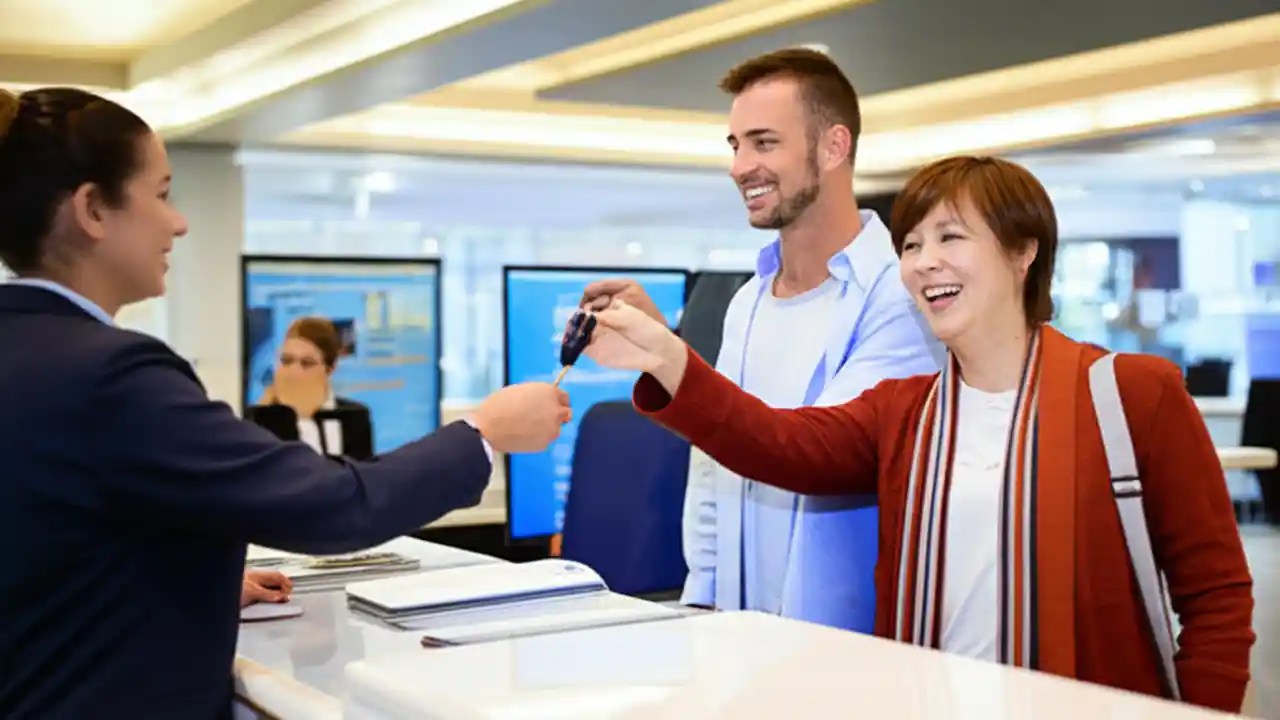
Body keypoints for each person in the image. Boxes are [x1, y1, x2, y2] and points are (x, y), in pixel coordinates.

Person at [584, 155, 1254, 712]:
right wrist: (668, 359)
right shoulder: (905, 413)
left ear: (1024, 252)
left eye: (950, 238)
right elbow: (775, 442)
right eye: (910, 245)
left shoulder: (1130, 394)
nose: (923, 262)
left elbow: (1216, 594)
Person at [0, 87, 570, 718]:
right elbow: (333, 507)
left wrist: (198, 581)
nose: (179, 222)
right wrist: (484, 432)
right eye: (161, 195)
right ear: (92, 209)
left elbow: (50, 548)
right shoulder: (111, 375)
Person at [580, 48, 941, 631]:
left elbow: (806, 453)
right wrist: (704, 596)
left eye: (764, 142)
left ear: (833, 146)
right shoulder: (748, 301)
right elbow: (713, 463)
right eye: (735, 144)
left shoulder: (898, 299)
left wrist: (672, 362)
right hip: (744, 638)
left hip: (844, 647)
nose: (739, 165)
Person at [251, 316, 375, 459]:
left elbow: (361, 475)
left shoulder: (354, 417)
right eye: (286, 361)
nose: (294, 372)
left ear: (330, 369)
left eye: (307, 363)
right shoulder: (260, 420)